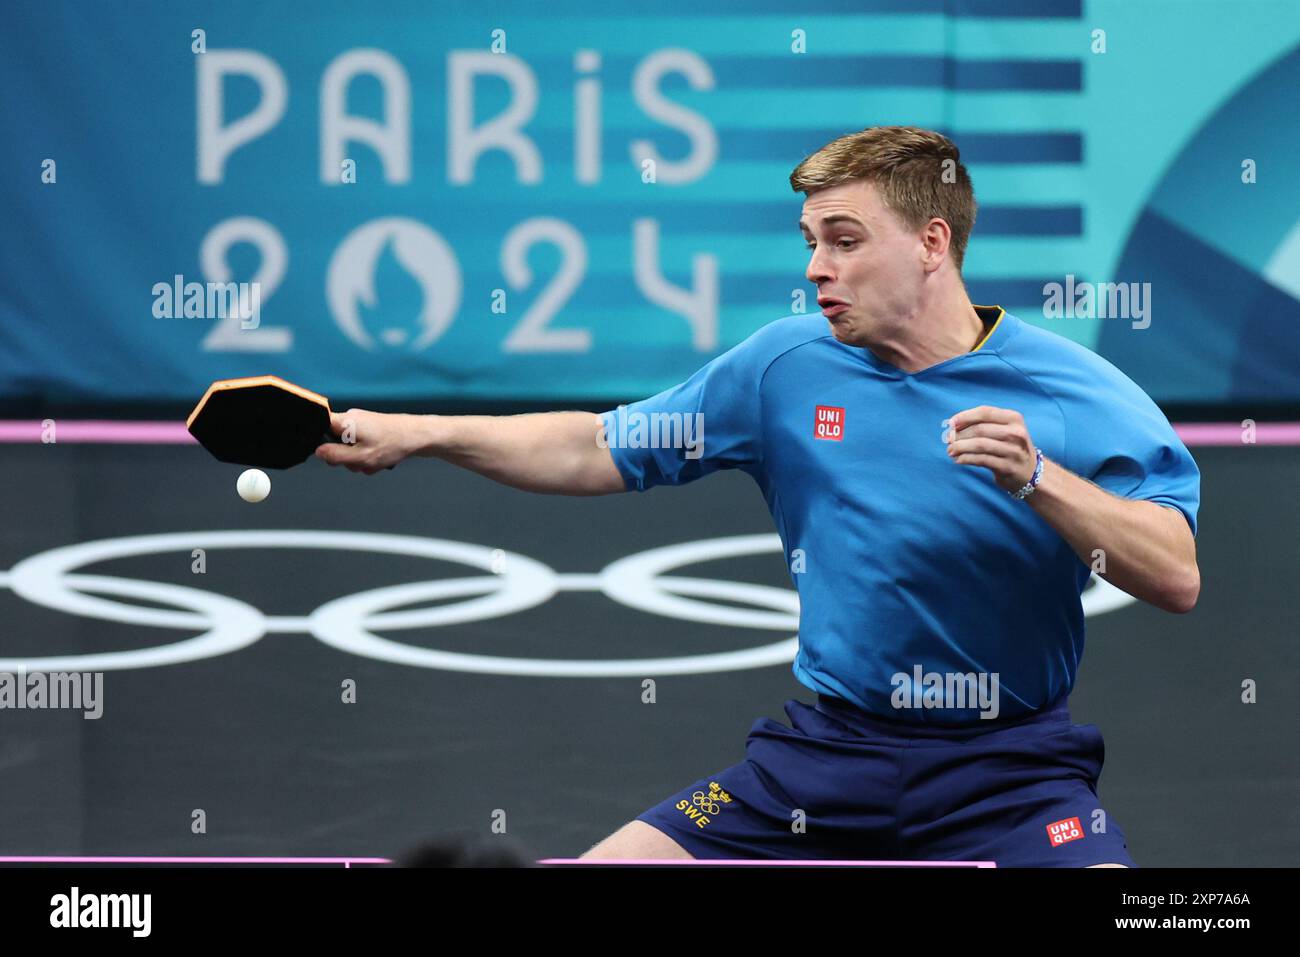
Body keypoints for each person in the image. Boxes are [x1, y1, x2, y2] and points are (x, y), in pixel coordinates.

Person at [316, 126, 1200, 867]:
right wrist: (418, 432)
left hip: (1010, 777)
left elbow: (1175, 575)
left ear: (932, 243)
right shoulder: (784, 367)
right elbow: (595, 445)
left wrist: (1039, 478)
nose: (817, 268)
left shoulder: (1074, 392)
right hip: (820, 768)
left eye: (844, 241)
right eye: (810, 241)